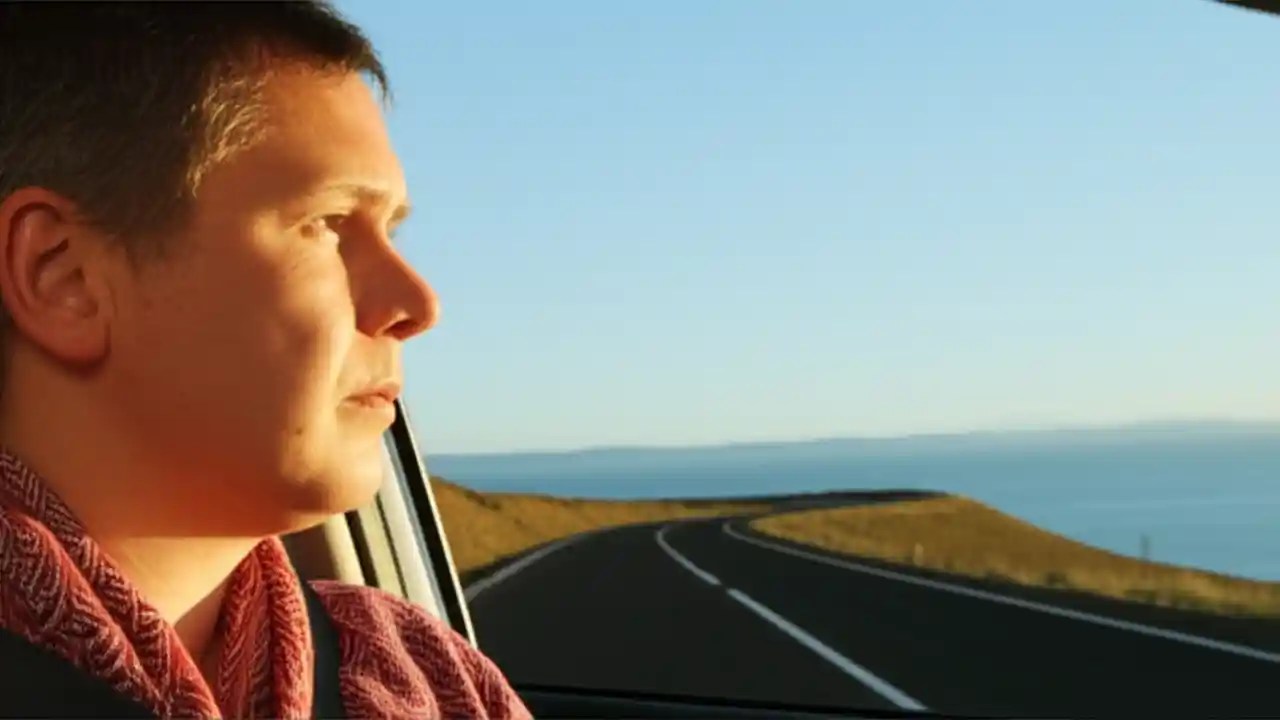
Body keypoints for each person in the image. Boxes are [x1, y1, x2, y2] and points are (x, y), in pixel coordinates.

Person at [0, 3, 530, 718]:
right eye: (328, 224)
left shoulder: (430, 673)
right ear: (63, 275)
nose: (417, 303)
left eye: (391, 232)